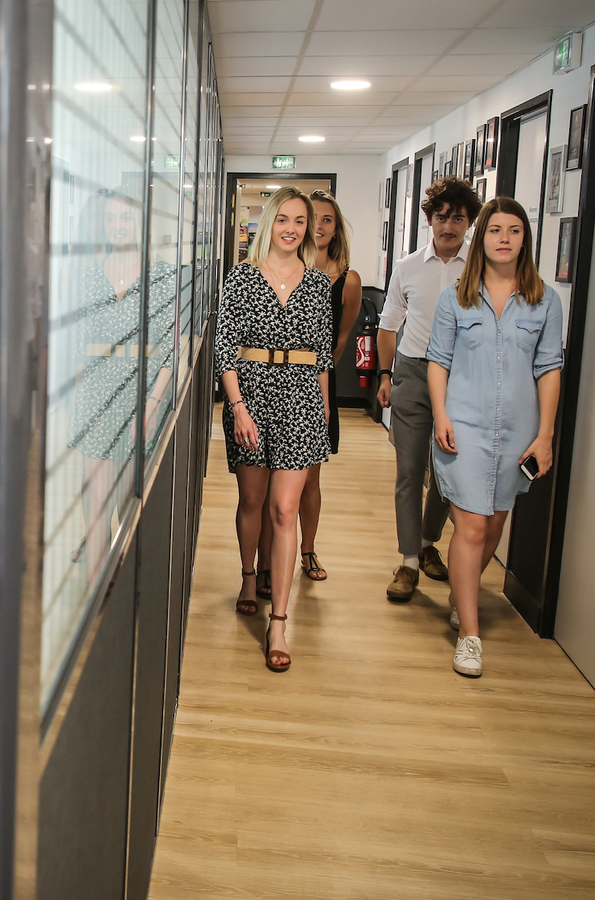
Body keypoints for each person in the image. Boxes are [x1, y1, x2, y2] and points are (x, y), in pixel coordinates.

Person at [427, 197, 563, 677]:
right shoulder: (455, 298)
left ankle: (459, 594)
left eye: (515, 230)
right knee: (471, 527)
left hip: (517, 433)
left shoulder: (546, 300)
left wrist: (545, 435)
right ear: (480, 237)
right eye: (495, 230)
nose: (504, 238)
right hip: (463, 427)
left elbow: (548, 368)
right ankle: (469, 633)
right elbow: (438, 361)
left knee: (495, 525)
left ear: (525, 239)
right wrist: (440, 415)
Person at [214, 186, 334, 672]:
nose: (291, 228)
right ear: (267, 224)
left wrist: (324, 412)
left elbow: (323, 355)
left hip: (302, 398)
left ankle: (279, 622)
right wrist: (238, 406)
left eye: (300, 221)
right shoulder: (241, 279)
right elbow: (226, 349)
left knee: (287, 510)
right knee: (253, 502)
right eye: (282, 219)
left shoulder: (319, 285)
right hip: (253, 396)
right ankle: (248, 577)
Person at [376, 177, 481, 602]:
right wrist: (386, 376)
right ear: (429, 220)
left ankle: (427, 540)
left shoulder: (481, 265)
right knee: (408, 471)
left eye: (458, 218)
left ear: (469, 222)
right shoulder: (408, 267)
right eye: (442, 217)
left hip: (462, 378)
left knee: (444, 474)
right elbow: (388, 325)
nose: (449, 226)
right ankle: (409, 562)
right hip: (414, 374)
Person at [68, 189, 178, 572]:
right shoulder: (87, 277)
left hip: (144, 393)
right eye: (111, 219)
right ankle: (97, 593)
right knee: (96, 507)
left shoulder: (161, 275)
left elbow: (168, 348)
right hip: (96, 395)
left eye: (126, 218)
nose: (118, 226)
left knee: (134, 504)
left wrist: (151, 404)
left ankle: (130, 587)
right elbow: (78, 346)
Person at [261, 190, 362, 583]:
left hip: (315, 380)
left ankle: (308, 548)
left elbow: (337, 340)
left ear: (335, 229)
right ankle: (269, 561)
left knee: (310, 478)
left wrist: (311, 383)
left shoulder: (344, 279)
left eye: (325, 220)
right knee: (273, 481)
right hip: (277, 379)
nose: (316, 227)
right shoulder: (279, 269)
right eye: (310, 218)